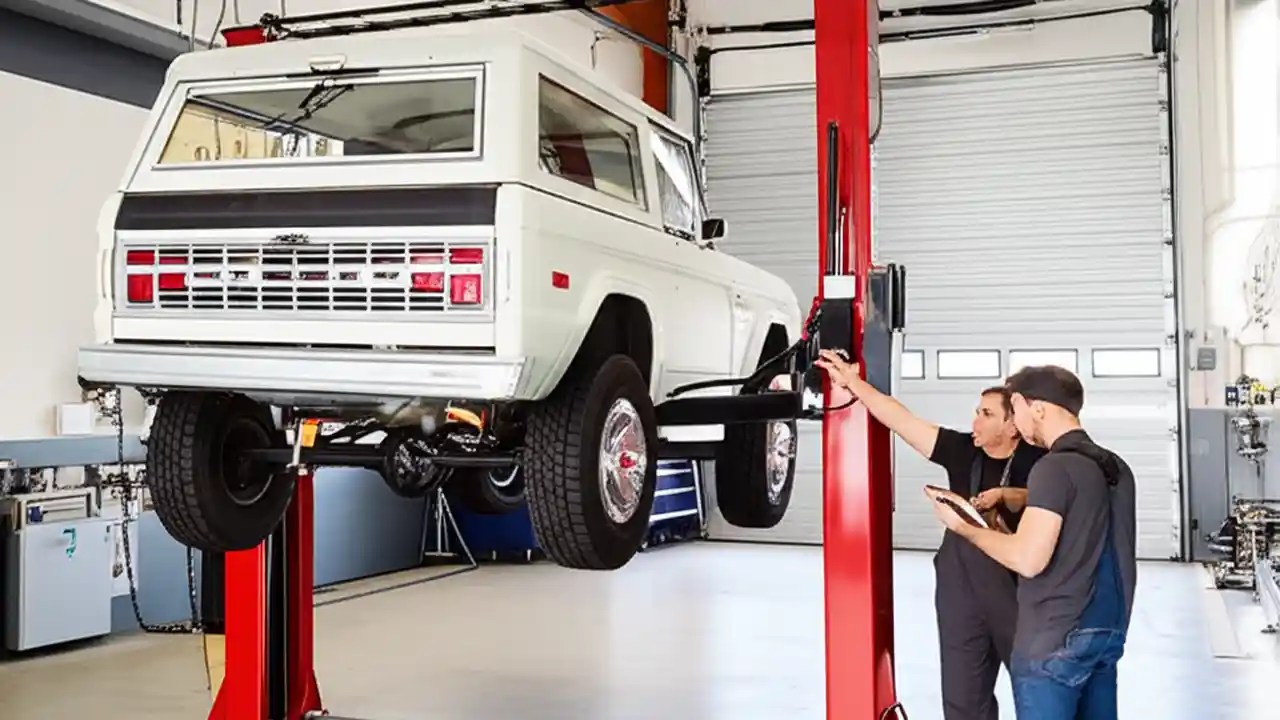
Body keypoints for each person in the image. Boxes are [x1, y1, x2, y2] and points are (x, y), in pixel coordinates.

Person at [816, 350, 1046, 720]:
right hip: (961, 596)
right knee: (962, 701)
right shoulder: (962, 452)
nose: (975, 420)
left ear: (1013, 426)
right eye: (976, 411)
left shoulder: (1039, 462)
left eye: (986, 414)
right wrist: (853, 383)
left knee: (1040, 692)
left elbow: (1057, 504)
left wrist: (1008, 496)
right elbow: (900, 419)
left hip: (1019, 596)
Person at [926, 365, 1138, 720]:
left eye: (1017, 409)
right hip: (1106, 636)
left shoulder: (1053, 468)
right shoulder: (1115, 467)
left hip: (1054, 642)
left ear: (1035, 407)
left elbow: (1028, 559)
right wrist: (1019, 498)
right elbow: (1085, 540)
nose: (1018, 424)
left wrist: (964, 527)